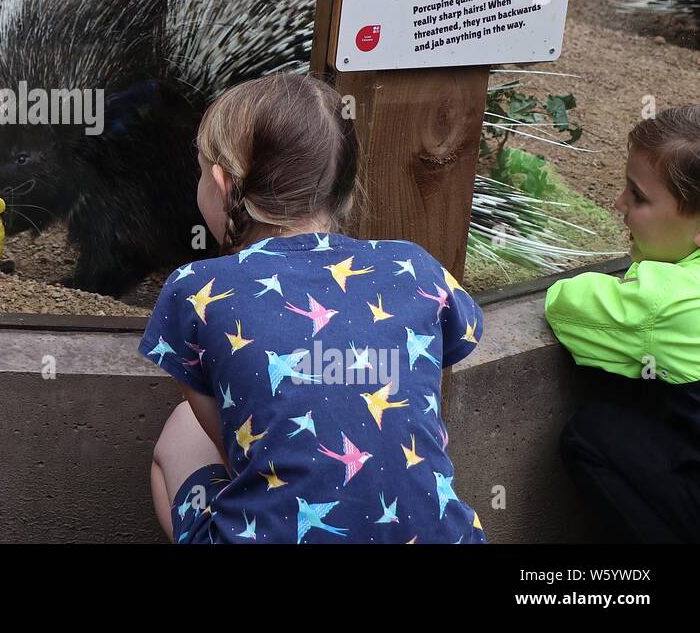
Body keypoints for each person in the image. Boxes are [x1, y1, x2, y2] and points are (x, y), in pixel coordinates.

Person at [139, 72, 485, 543]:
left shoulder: (194, 289)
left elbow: (230, 443)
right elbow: (456, 342)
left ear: (222, 183)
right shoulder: (416, 265)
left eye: (201, 170)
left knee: (179, 434)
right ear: (343, 186)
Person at [547, 104, 700, 543]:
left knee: (589, 433)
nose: (618, 204)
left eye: (639, 196)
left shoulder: (666, 300)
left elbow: (564, 304)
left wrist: (641, 275)